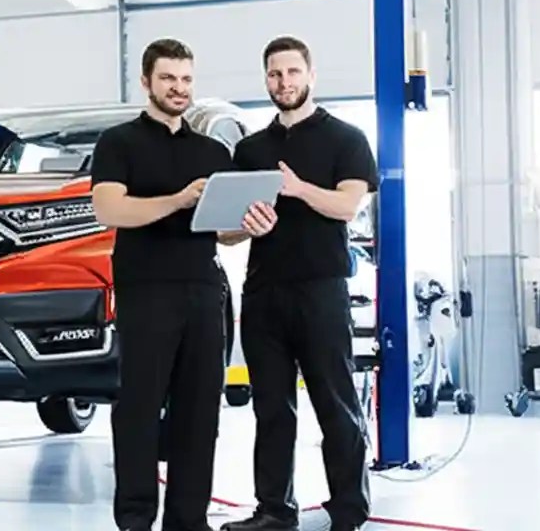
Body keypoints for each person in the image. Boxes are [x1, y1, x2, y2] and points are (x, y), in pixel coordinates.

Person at [91, 38, 277, 531]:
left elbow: (225, 230)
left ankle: (188, 521)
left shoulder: (212, 151)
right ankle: (134, 519)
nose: (179, 88)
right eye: (169, 78)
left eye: (187, 79)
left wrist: (250, 225)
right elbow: (110, 209)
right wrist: (176, 200)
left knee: (200, 415)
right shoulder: (119, 142)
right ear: (147, 82)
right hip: (145, 291)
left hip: (203, 291)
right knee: (138, 409)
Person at [219, 35, 376, 531]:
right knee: (271, 409)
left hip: (321, 290)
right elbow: (225, 231)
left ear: (311, 76)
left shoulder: (346, 139)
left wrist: (299, 189)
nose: (283, 82)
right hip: (264, 293)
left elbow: (348, 205)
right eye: (274, 74)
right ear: (265, 79)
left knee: (336, 404)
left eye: (291, 72)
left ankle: (349, 510)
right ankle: (274, 511)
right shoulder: (249, 149)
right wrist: (249, 224)